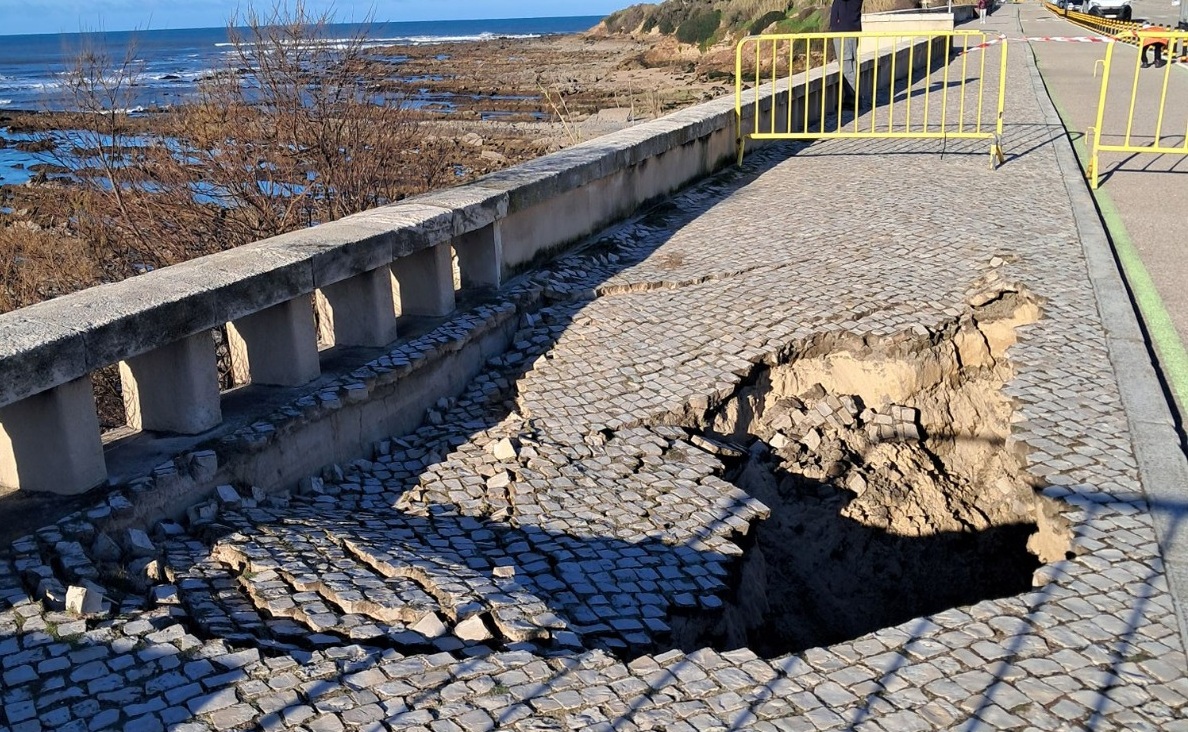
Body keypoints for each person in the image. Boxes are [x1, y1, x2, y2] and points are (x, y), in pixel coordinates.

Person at [829, 0, 868, 108]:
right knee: (847, 65)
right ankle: (851, 98)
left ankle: (853, 99)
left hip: (846, 30)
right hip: (844, 29)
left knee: (848, 66)